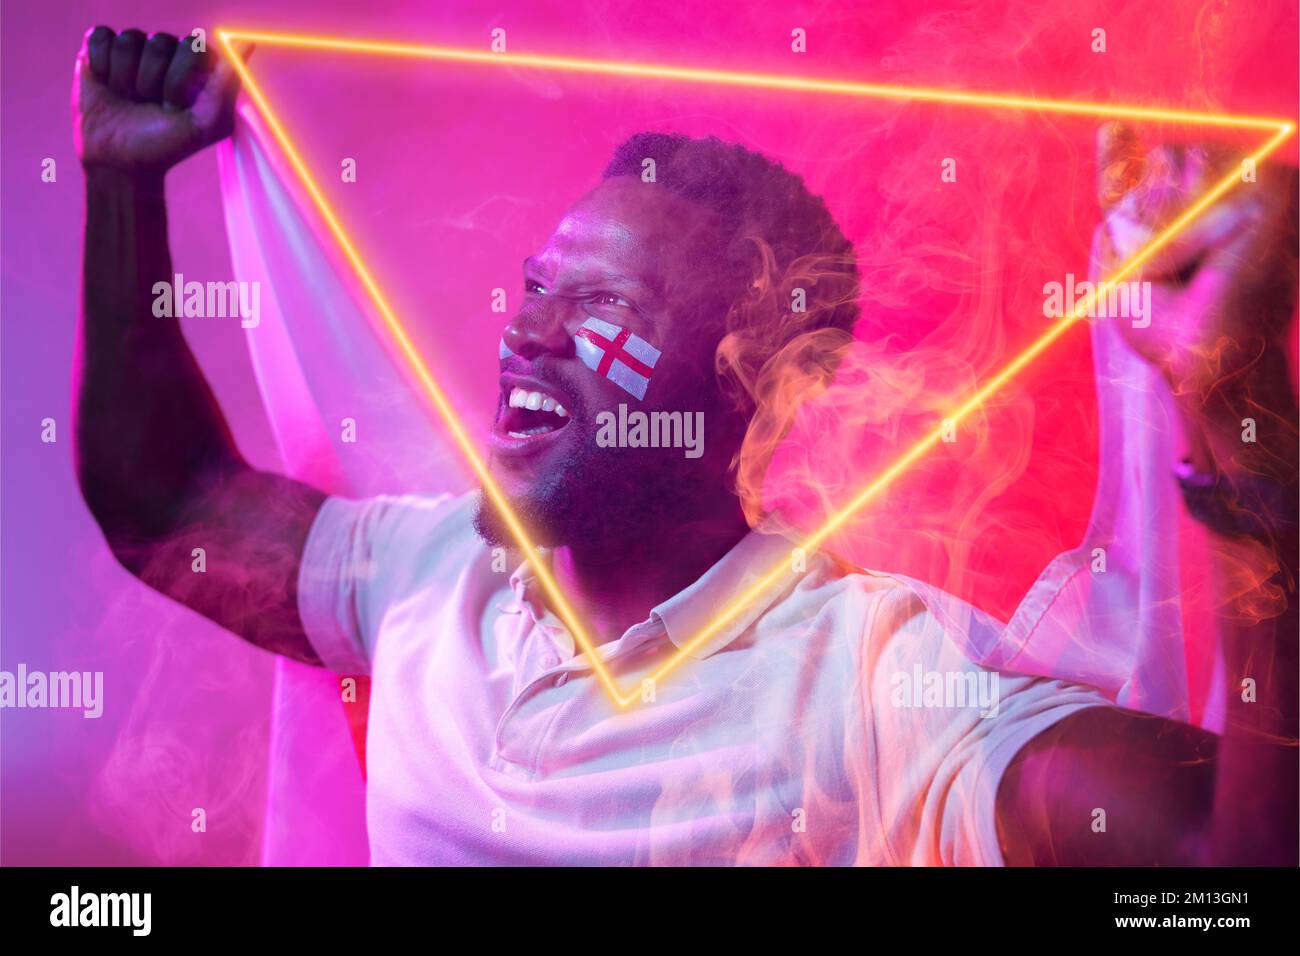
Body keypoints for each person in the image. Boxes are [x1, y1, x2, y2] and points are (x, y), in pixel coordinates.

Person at [73, 26, 1298, 865]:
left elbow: (1222, 865)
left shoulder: (870, 681)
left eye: (602, 309)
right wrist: (121, 191)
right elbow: (165, 504)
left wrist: (1244, 419)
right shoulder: (431, 571)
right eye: (533, 288)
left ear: (755, 392)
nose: (527, 338)